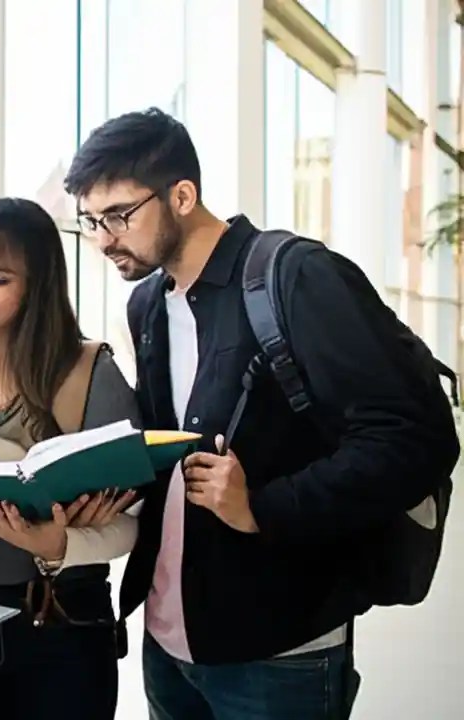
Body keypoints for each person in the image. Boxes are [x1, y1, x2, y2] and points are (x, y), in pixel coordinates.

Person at [63, 107, 460, 720]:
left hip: (282, 652)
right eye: (91, 220)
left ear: (182, 195)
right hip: (168, 643)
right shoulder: (148, 306)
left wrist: (261, 508)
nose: (104, 238)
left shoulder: (295, 277)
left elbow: (414, 438)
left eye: (118, 215)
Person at [0, 197, 141, 720]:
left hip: (60, 623)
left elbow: (132, 521)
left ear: (37, 284)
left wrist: (57, 544)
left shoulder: (89, 373)